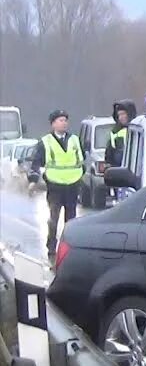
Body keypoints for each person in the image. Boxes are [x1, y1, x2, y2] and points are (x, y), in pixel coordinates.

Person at [28, 110, 84, 257]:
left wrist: (81, 177)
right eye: (60, 120)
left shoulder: (75, 140)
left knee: (71, 219)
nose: (64, 123)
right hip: (55, 185)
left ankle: (70, 246)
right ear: (53, 124)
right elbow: (36, 163)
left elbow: (82, 160)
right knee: (54, 217)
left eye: (65, 120)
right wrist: (33, 181)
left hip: (72, 184)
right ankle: (51, 245)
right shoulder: (45, 142)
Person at [105, 100, 136, 168]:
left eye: (123, 114)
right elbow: (109, 157)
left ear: (130, 114)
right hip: (120, 172)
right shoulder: (115, 133)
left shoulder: (139, 129)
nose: (121, 117)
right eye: (119, 115)